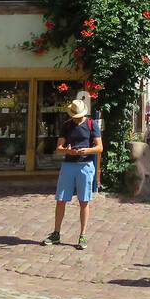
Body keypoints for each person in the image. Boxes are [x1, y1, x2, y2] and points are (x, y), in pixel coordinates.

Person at [44, 98, 102, 250]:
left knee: (84, 201)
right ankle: (56, 233)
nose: (75, 118)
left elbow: (99, 147)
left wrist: (87, 150)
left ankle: (83, 235)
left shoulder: (91, 125)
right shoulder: (67, 125)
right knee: (61, 199)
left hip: (85, 165)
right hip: (68, 165)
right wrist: (67, 150)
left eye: (77, 115)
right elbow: (59, 147)